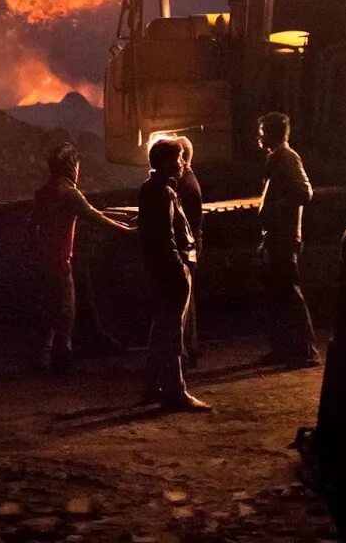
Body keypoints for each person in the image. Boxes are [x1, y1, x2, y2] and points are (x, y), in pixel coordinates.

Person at [29, 141, 133, 373]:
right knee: (66, 313)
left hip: (42, 261)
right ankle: (61, 360)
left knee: (46, 312)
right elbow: (93, 216)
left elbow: (32, 225)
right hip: (60, 262)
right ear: (71, 165)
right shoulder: (69, 193)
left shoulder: (43, 193)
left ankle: (41, 359)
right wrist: (127, 230)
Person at [138, 137, 212, 411]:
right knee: (171, 333)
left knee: (161, 330)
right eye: (179, 158)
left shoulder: (149, 189)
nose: (183, 164)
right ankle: (175, 393)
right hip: (172, 272)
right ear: (168, 162)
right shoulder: (164, 193)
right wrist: (180, 267)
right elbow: (167, 237)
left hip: (161, 271)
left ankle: (153, 386)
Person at [256, 111, 320, 367]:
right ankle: (284, 348)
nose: (259, 138)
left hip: (283, 237)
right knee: (279, 294)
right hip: (276, 236)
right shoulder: (278, 158)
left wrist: (273, 210)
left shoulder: (287, 158)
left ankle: (305, 351)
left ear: (273, 133)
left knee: (289, 295)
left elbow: (304, 192)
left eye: (262, 133)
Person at [175, 136, 204, 366]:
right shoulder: (188, 180)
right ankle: (190, 348)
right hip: (191, 244)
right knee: (187, 296)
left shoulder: (184, 185)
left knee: (184, 298)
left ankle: (186, 350)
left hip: (187, 246)